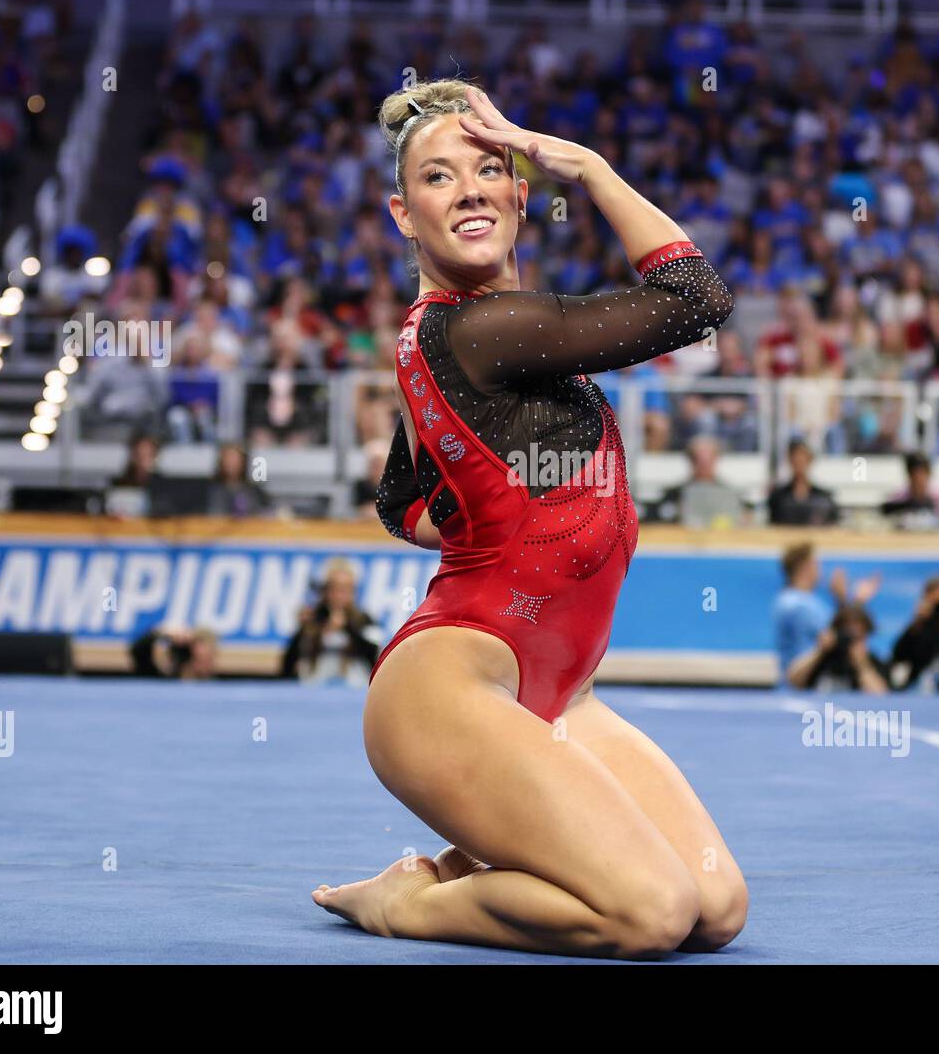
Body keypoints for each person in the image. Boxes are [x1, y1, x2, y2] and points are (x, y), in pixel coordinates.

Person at [311, 80, 746, 959]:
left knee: (716, 907)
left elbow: (401, 502)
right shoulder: (482, 331)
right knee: (650, 914)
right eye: (437, 177)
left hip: (556, 694)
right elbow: (697, 297)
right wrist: (586, 167)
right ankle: (405, 903)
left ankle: (485, 855)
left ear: (517, 196)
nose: (468, 190)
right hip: (450, 691)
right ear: (403, 214)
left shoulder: (469, 345)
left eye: (487, 170)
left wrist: (492, 522)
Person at [774, 541, 879, 683]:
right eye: (817, 564)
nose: (820, 570)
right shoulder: (801, 605)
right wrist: (854, 601)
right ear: (806, 567)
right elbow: (838, 634)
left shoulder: (786, 599)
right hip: (802, 683)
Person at [281, 560, 383, 683]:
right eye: (335, 588)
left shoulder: (364, 620)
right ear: (326, 590)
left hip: (354, 689)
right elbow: (288, 664)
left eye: (345, 589)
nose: (339, 595)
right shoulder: (314, 619)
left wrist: (347, 628)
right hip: (313, 688)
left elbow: (375, 657)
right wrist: (305, 630)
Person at [785, 604, 890, 694]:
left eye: (857, 636)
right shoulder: (823, 658)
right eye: (846, 634)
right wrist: (819, 651)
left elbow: (880, 697)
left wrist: (862, 666)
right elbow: (792, 681)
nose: (849, 640)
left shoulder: (871, 661)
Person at [767, 438, 839, 526]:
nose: (799, 463)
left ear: (810, 460)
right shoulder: (778, 497)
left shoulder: (824, 498)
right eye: (795, 459)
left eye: (803, 459)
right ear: (790, 460)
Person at [130, 625, 218, 679]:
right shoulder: (167, 676)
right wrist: (165, 634)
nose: (203, 655)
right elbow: (137, 651)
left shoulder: (217, 683)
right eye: (199, 660)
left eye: (209, 659)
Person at [207, 443, 271, 517]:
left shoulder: (254, 491)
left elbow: (266, 512)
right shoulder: (209, 489)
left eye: (235, 459)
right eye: (228, 459)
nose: (231, 464)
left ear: (243, 462)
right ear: (221, 462)